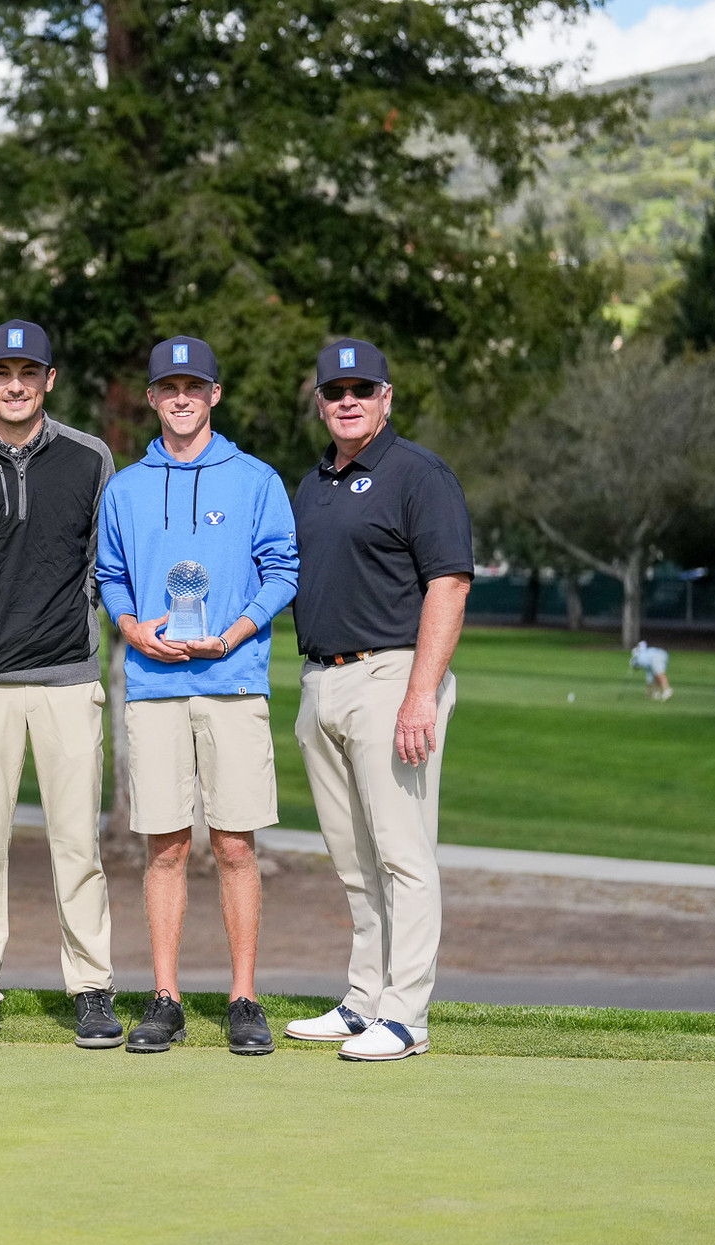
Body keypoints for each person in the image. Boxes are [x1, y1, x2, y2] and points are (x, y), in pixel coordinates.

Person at [92, 336, 298, 1056]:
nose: (181, 399)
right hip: (154, 685)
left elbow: (282, 571)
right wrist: (131, 629)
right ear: (152, 398)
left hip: (232, 679)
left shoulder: (256, 479)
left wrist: (236, 632)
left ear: (215, 394)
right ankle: (166, 999)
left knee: (235, 844)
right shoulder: (126, 488)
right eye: (169, 388)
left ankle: (243, 998)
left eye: (194, 387)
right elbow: (111, 575)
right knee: (166, 846)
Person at [0, 320, 121, 1049]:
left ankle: (92, 987)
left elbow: (100, 562)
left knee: (78, 844)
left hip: (67, 677)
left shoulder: (90, 458)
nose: (15, 385)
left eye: (28, 373)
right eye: (2, 373)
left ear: (49, 380)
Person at [283, 339, 473, 1062]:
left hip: (392, 678)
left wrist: (421, 695)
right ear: (320, 403)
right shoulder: (313, 483)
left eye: (362, 390)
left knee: (403, 854)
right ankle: (365, 1000)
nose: (348, 402)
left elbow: (449, 583)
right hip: (320, 681)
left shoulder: (419, 474)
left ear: (386, 398)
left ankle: (408, 1015)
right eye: (335, 392)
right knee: (354, 859)